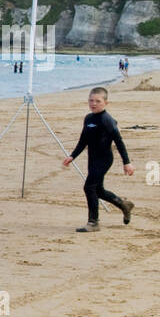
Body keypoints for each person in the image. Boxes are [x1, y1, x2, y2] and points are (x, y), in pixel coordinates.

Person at [62, 86, 134, 233]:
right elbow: (83, 141)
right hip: (92, 159)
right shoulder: (88, 118)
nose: (93, 103)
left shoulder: (107, 120)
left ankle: (93, 222)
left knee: (89, 187)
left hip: (104, 159)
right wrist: (72, 156)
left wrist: (127, 163)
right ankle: (123, 204)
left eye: (98, 101)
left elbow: (119, 142)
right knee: (98, 190)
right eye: (91, 100)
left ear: (105, 103)